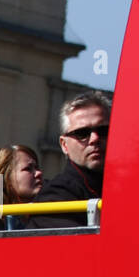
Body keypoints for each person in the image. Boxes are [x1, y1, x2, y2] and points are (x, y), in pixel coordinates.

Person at [30, 90, 111, 228]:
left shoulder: (132, 185)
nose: (94, 139)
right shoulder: (55, 196)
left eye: (103, 131)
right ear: (64, 145)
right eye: (82, 133)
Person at [0, 145, 44, 231]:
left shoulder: (47, 217)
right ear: (5, 178)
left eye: (37, 167)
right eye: (28, 169)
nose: (39, 173)